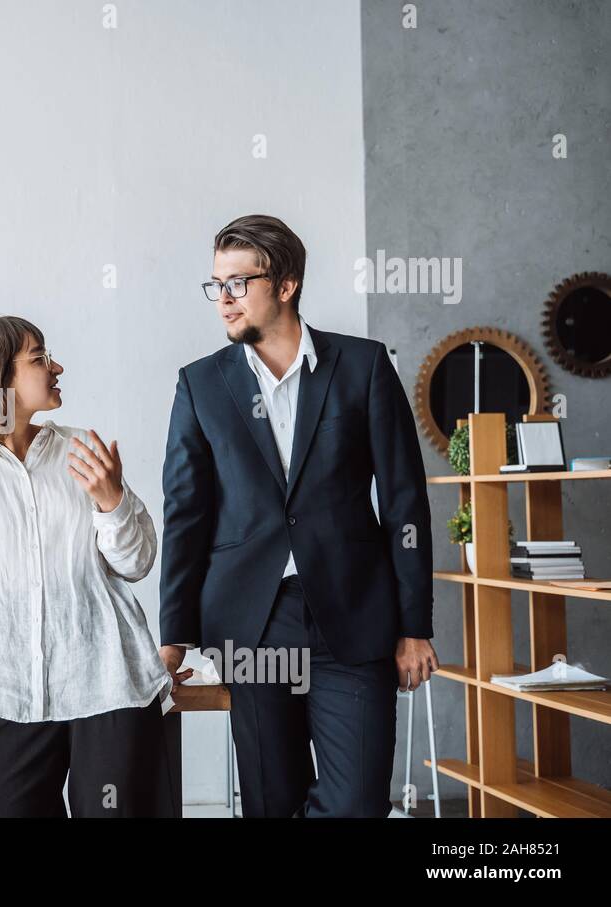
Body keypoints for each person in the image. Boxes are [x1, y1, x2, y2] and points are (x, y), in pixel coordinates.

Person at [160, 214, 439, 817]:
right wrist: (174, 635)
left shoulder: (362, 367)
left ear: (284, 284)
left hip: (355, 617)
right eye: (216, 285)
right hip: (252, 625)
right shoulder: (201, 385)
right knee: (270, 802)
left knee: (358, 803)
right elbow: (186, 514)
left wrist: (415, 625)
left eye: (238, 283)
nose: (224, 300)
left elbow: (404, 503)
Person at [0, 316, 186, 817]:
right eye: (40, 358)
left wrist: (112, 504)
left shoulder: (79, 449)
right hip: (12, 685)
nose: (56, 366)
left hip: (107, 681)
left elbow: (137, 564)